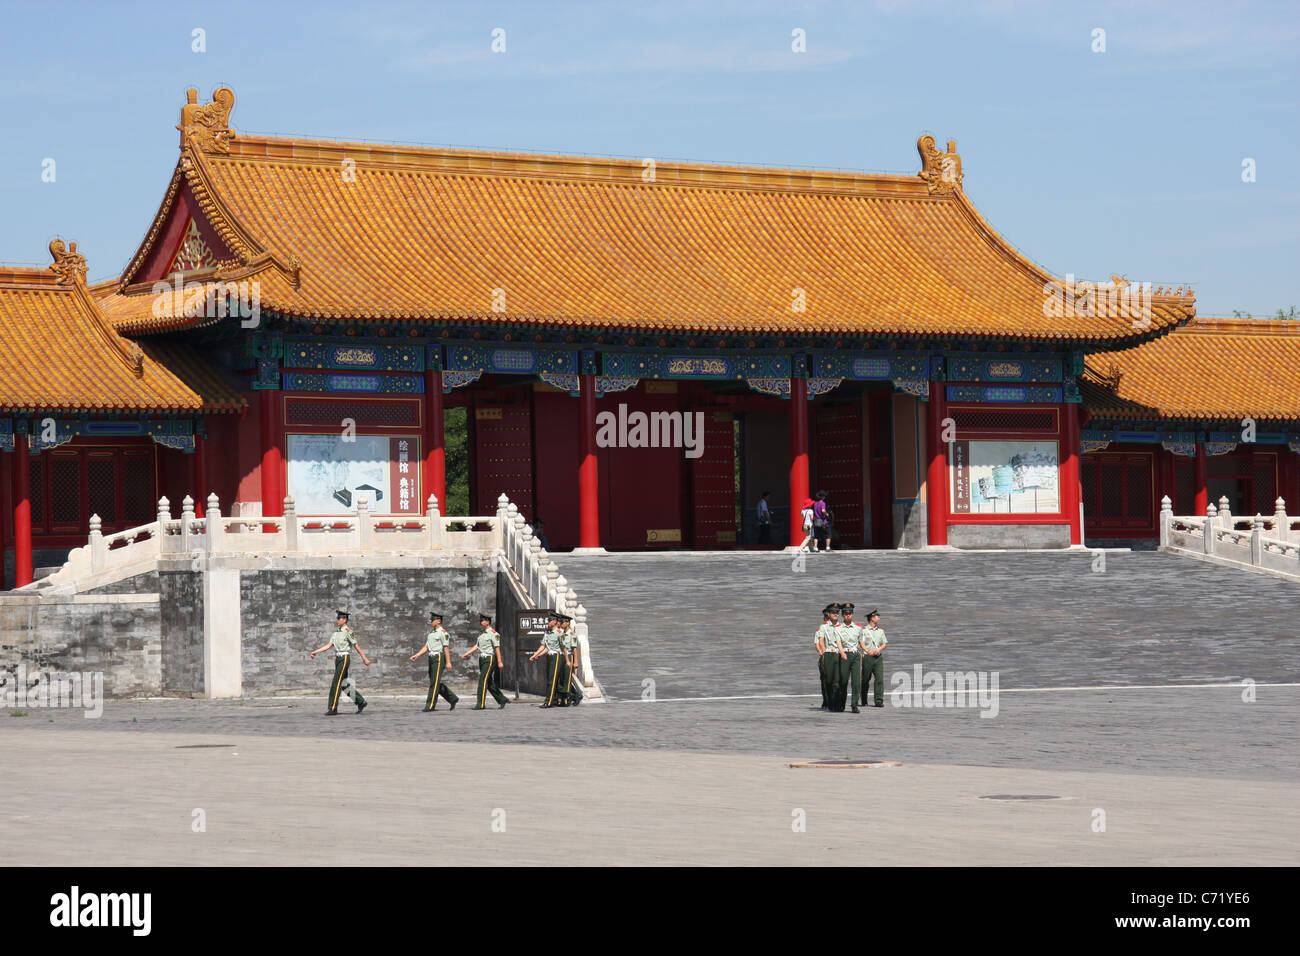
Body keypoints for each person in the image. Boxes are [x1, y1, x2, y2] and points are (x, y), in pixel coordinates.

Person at [309, 610, 371, 715]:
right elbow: (329, 645)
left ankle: (333, 708)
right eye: (337, 618)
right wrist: (315, 652)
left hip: (344, 658)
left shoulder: (348, 631)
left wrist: (364, 658)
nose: (337, 620)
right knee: (343, 684)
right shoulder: (336, 633)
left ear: (345, 620)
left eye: (339, 618)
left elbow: (356, 646)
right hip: (338, 659)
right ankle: (361, 702)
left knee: (336, 682)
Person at [409, 610, 458, 712]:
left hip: (439, 657)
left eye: (433, 619)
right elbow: (427, 647)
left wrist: (448, 662)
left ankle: (430, 705)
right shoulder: (431, 633)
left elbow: (446, 648)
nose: (431, 621)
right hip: (431, 658)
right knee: (434, 682)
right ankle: (452, 698)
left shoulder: (443, 633)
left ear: (439, 621)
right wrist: (417, 655)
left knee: (434, 683)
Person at [461, 612, 508, 709]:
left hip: (489, 659)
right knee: (489, 682)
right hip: (482, 659)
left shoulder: (494, 634)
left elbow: (497, 648)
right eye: (480, 620)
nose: (480, 622)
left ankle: (480, 704)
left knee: (482, 680)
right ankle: (502, 699)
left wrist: (499, 661)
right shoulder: (481, 634)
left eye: (482, 620)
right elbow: (477, 646)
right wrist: (467, 653)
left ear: (488, 622)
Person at [528, 612, 566, 707]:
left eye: (549, 620)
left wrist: (568, 660)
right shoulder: (547, 632)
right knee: (550, 679)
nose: (548, 622)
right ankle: (567, 695)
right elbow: (544, 646)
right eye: (547, 620)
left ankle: (548, 702)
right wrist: (536, 655)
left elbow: (563, 648)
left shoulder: (559, 633)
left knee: (552, 680)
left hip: (557, 656)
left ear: (554, 621)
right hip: (550, 656)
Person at [835, 602, 865, 713]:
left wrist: (866, 650)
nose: (848, 615)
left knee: (856, 681)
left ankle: (854, 705)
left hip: (856, 655)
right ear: (843, 615)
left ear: (852, 614)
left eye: (850, 613)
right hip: (845, 655)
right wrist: (842, 653)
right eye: (846, 613)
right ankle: (841, 704)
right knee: (843, 681)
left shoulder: (858, 628)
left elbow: (861, 642)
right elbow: (838, 642)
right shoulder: (838, 628)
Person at [816, 603, 846, 712]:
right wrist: (823, 650)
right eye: (833, 612)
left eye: (837, 612)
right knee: (828, 681)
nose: (835, 614)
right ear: (829, 614)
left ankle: (835, 704)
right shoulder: (823, 626)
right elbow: (820, 640)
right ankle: (828, 702)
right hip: (828, 653)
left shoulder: (842, 626)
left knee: (837, 681)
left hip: (839, 654)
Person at [861, 607, 888, 708]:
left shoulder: (880, 631)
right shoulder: (864, 630)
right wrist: (867, 651)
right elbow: (861, 643)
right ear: (871, 618)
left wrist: (879, 649)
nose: (878, 618)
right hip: (867, 657)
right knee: (865, 679)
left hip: (878, 657)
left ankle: (878, 700)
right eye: (877, 616)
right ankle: (864, 699)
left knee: (879, 679)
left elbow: (884, 643)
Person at [559, 613, 582, 706]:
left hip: (570, 656)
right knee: (562, 678)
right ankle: (576, 694)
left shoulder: (572, 634)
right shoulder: (562, 633)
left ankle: (568, 698)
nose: (561, 623)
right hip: (563, 657)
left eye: (563, 622)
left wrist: (576, 661)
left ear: (568, 623)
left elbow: (574, 649)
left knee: (567, 678)